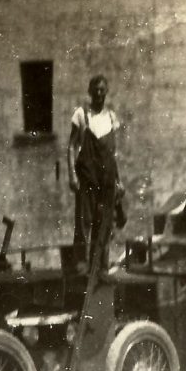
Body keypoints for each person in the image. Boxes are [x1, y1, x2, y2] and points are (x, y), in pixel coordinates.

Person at [67, 74, 125, 273]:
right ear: (90, 92)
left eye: (103, 90)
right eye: (96, 90)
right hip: (87, 176)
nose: (99, 94)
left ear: (106, 92)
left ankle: (101, 263)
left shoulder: (111, 117)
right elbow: (71, 146)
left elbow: (113, 154)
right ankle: (82, 263)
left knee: (105, 222)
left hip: (107, 177)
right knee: (84, 221)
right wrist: (72, 175)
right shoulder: (81, 114)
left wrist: (120, 180)